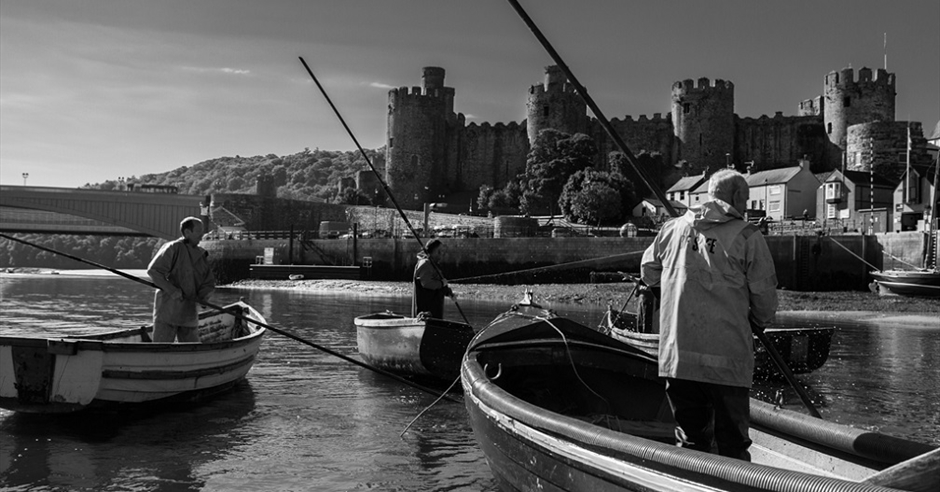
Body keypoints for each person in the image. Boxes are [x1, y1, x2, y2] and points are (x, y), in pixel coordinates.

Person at [640, 168, 778, 461]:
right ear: (738, 196)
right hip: (727, 362)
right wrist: (760, 322)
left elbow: (648, 270)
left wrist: (674, 299)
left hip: (679, 359)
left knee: (691, 441)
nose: (747, 206)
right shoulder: (747, 236)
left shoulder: (672, 229)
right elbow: (764, 299)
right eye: (747, 199)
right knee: (732, 446)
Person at [147, 216, 215, 343]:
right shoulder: (173, 248)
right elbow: (154, 271)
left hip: (189, 315)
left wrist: (204, 297)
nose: (202, 236)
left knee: (192, 352)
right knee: (161, 351)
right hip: (167, 313)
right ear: (187, 232)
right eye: (199, 232)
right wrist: (172, 290)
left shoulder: (202, 255)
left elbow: (209, 283)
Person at [412, 239, 454, 319]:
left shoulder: (435, 266)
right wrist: (441, 284)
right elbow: (427, 283)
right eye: (440, 251)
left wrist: (449, 293)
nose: (442, 254)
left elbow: (439, 285)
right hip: (425, 315)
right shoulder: (424, 264)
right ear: (434, 251)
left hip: (435, 314)